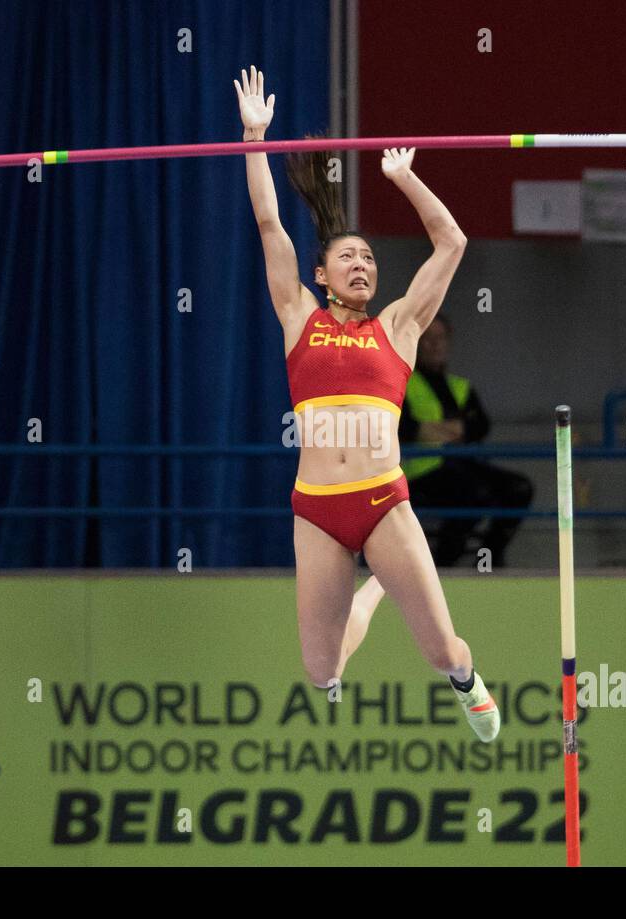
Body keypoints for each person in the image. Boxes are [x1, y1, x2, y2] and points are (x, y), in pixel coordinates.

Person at [235, 65, 499, 740]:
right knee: (321, 673)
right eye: (348, 258)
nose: (362, 265)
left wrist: (404, 177)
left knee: (443, 651)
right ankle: (370, 591)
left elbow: (453, 243)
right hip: (318, 511)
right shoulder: (297, 313)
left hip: (383, 500)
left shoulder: (401, 327)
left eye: (370, 260)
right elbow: (268, 220)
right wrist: (254, 135)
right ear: (320, 274)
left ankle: (463, 677)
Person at [400, 313, 534, 567]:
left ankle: (490, 559)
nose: (435, 344)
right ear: (416, 344)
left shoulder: (460, 385)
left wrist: (432, 430)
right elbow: (406, 428)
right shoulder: (404, 384)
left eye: (440, 338)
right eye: (428, 339)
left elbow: (479, 426)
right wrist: (454, 430)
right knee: (474, 493)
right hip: (423, 474)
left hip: (464, 467)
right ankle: (444, 564)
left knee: (519, 488)